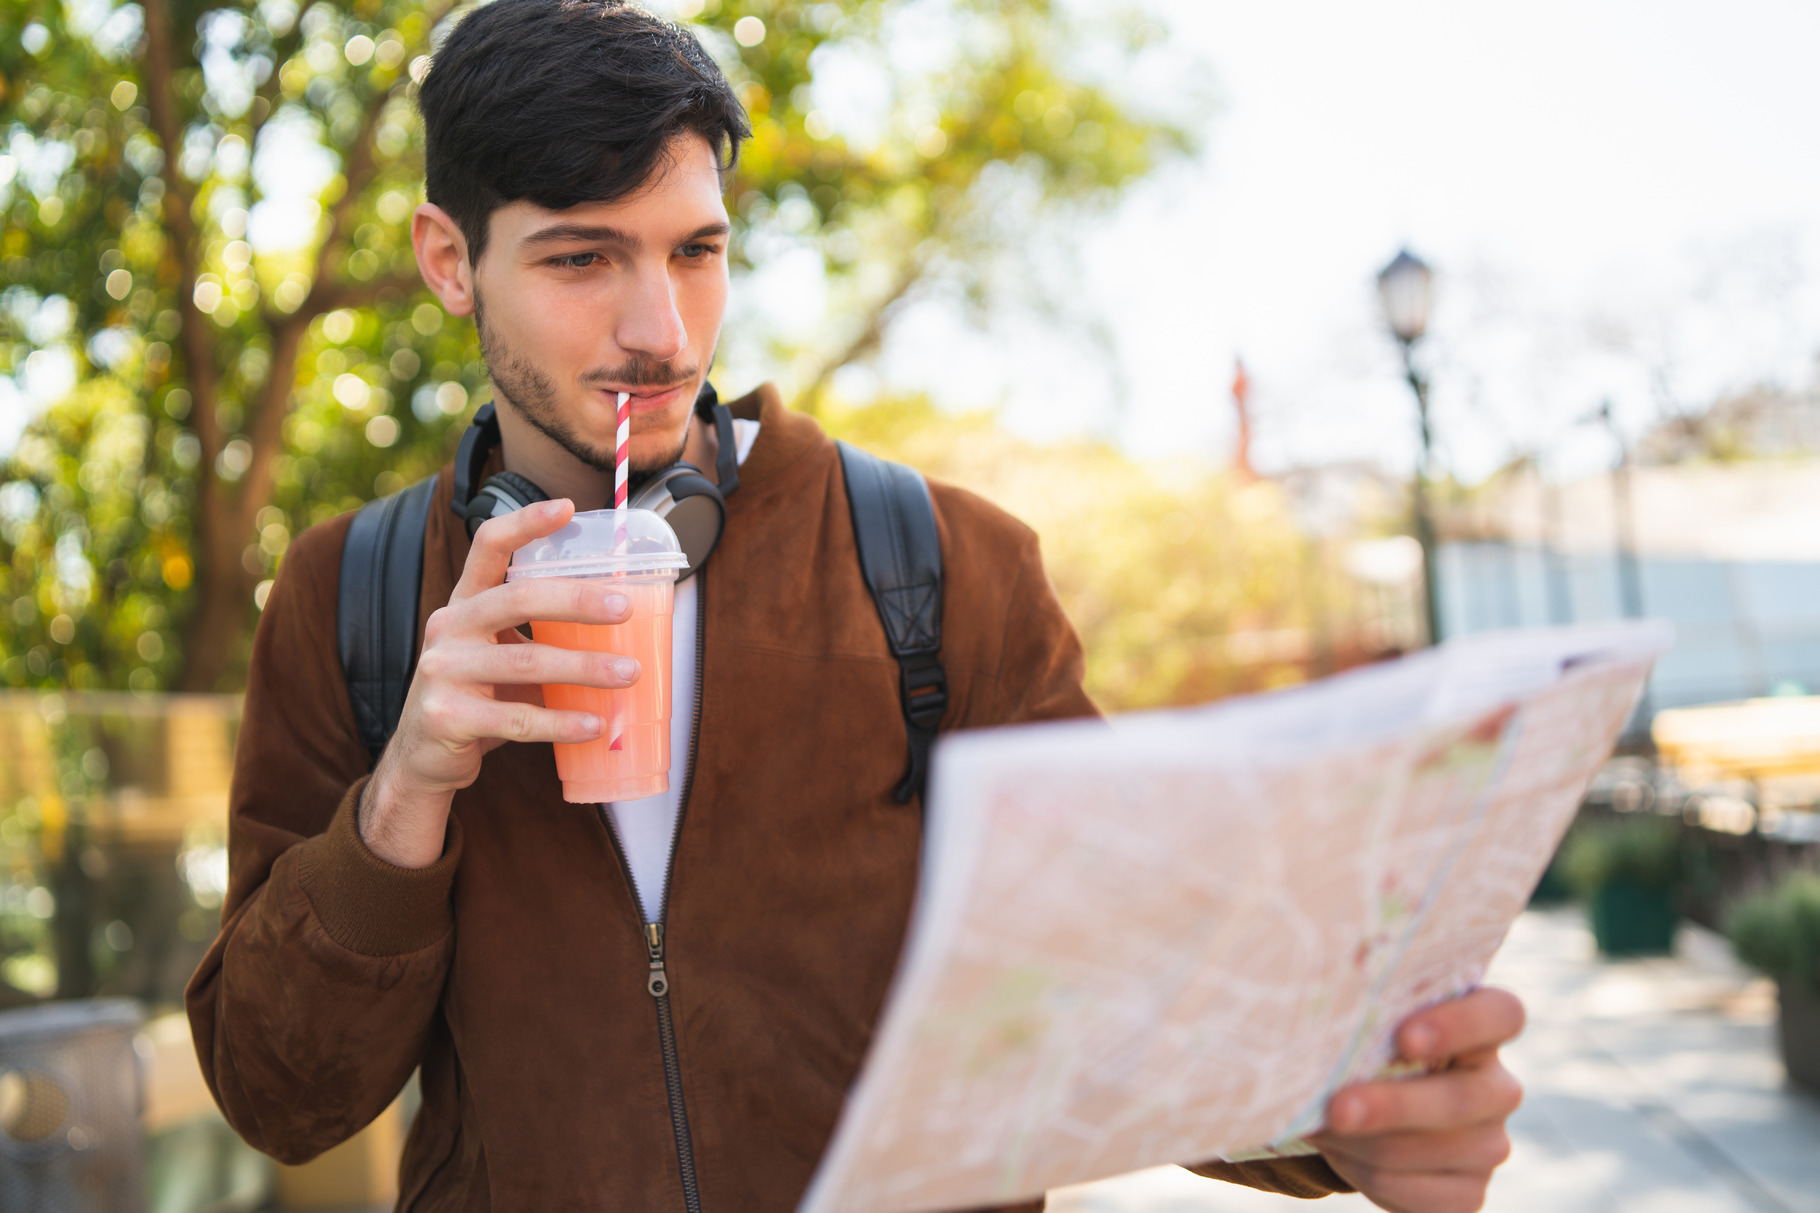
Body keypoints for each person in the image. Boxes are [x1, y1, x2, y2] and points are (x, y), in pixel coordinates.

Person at [185, 2, 1524, 1210]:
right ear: (447, 258)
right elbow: (279, 1099)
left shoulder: (938, 565)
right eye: (583, 260)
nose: (662, 328)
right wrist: (401, 801)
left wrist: (1353, 1128)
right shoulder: (348, 601)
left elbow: (1130, 990)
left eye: (695, 251)